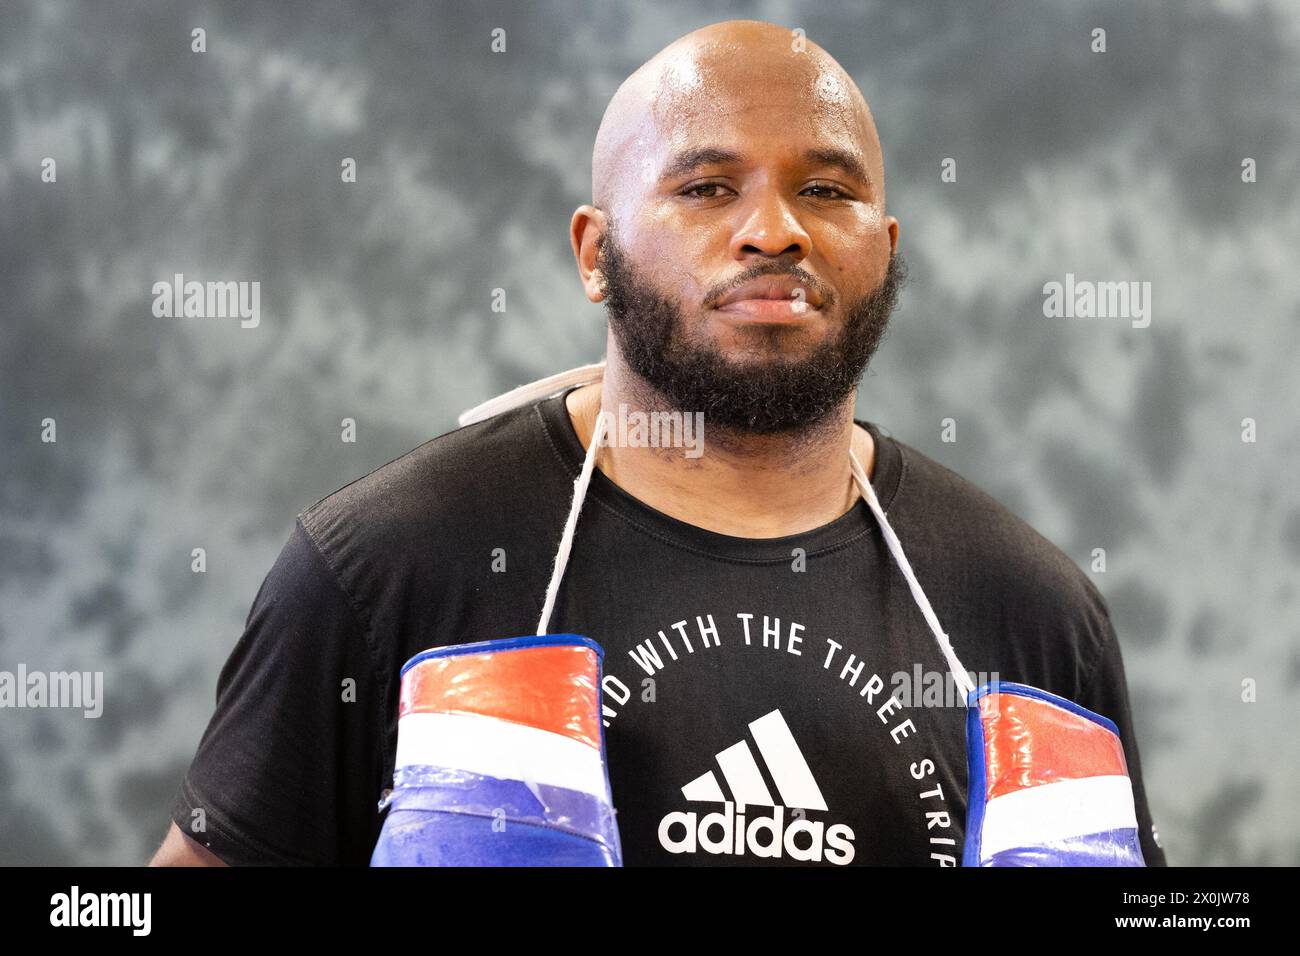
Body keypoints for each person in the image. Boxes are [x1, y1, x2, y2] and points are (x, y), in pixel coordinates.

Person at [151, 19, 1165, 867]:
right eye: (706, 188)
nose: (774, 229)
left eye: (826, 189)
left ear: (884, 248)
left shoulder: (1030, 610)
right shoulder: (388, 565)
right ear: (596, 254)